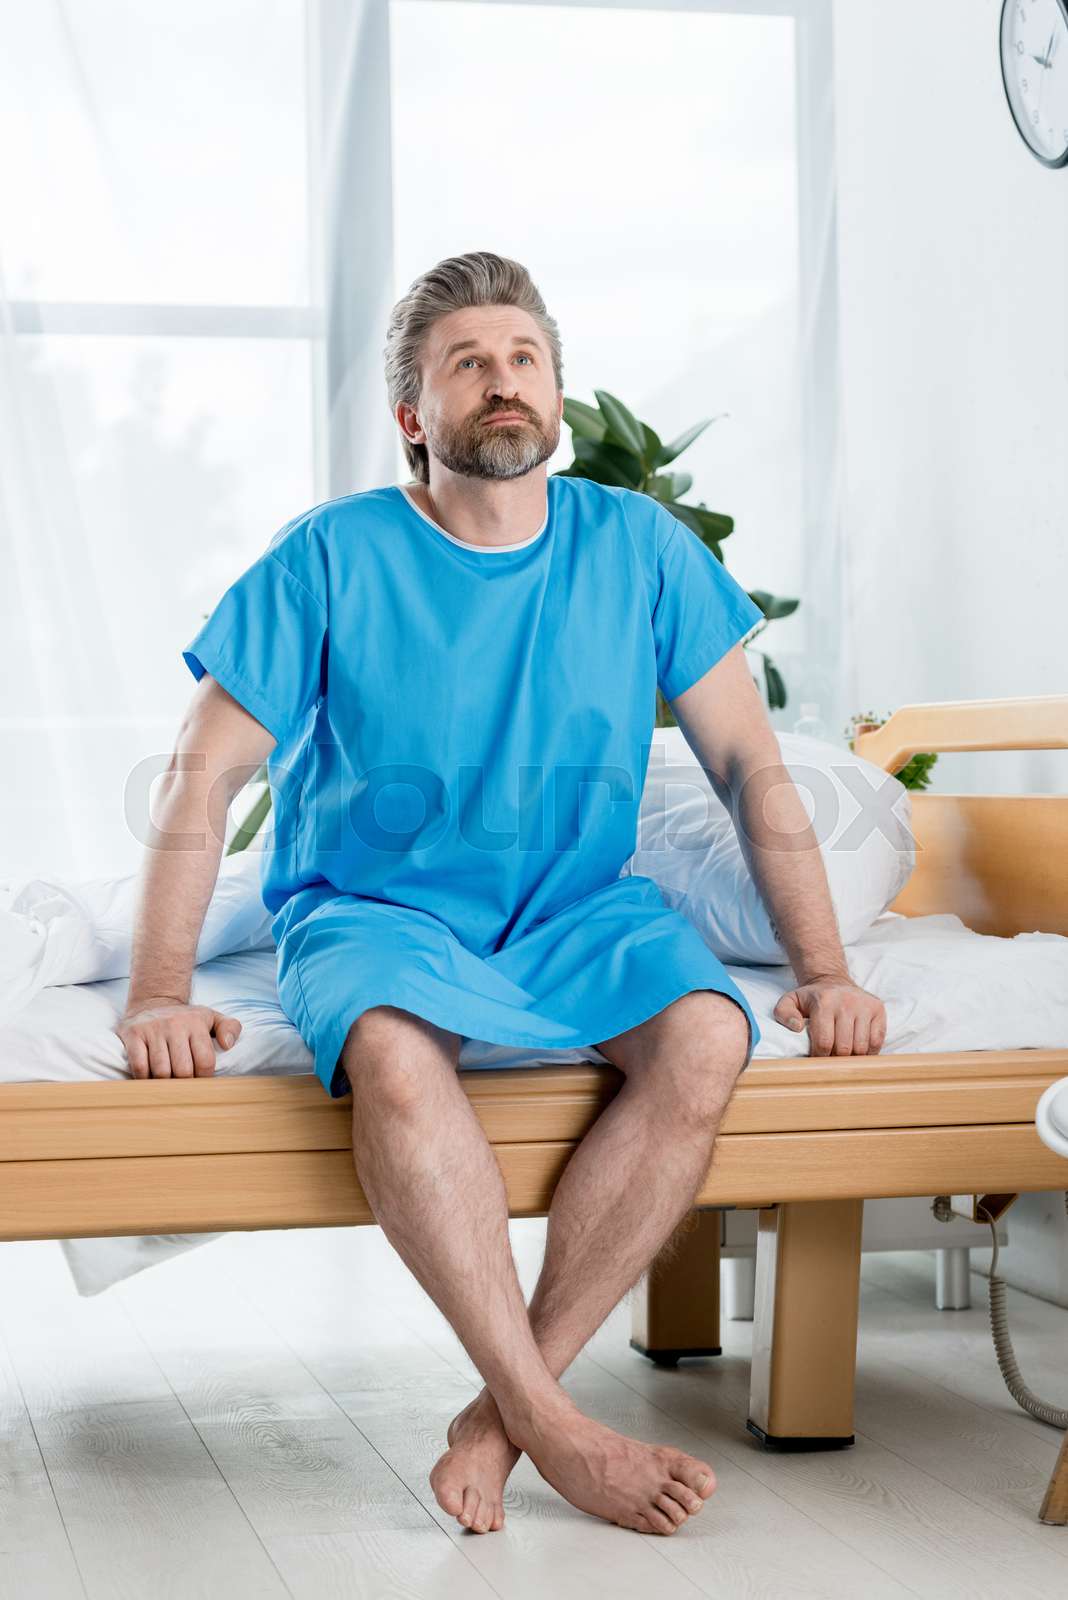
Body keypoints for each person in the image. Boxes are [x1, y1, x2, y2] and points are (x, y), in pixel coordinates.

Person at [116, 251, 887, 1538]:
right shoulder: (329, 556)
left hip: (579, 908)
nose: (502, 381)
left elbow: (752, 763)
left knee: (705, 1032)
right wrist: (154, 993)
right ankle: (563, 1426)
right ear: (414, 414)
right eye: (468, 363)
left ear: (558, 400)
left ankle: (504, 1413)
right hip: (376, 912)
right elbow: (199, 782)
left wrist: (826, 970)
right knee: (396, 1060)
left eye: (523, 358)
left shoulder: (636, 544)